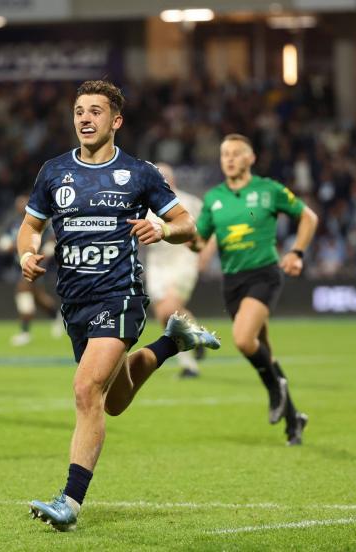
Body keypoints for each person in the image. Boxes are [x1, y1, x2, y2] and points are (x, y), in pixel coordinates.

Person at [18, 80, 221, 531]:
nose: (85, 118)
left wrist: (162, 231)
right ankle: (172, 342)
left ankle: (70, 502)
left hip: (120, 295)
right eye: (78, 111)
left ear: (116, 121)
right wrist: (26, 253)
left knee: (87, 390)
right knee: (113, 400)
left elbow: (186, 223)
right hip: (75, 303)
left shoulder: (139, 172)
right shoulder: (53, 172)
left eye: (95, 111)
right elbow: (30, 226)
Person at [192, 134, 318, 446]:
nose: (230, 159)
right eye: (224, 154)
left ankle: (276, 388)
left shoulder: (268, 190)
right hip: (232, 282)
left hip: (263, 274)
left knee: (243, 339)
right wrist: (171, 232)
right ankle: (294, 418)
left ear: (251, 158)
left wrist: (297, 252)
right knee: (264, 350)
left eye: (236, 153)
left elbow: (308, 217)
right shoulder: (213, 199)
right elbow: (198, 241)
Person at [143, 163, 215, 378]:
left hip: (183, 261)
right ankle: (189, 364)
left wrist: (204, 256)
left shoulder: (189, 202)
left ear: (172, 179)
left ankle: (194, 334)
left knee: (170, 309)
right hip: (156, 265)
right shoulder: (145, 206)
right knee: (165, 318)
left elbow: (210, 230)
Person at [0, 195, 62, 346]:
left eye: (23, 204)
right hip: (19, 263)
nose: (20, 207)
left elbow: (52, 241)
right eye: (18, 205)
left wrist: (41, 255)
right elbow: (3, 245)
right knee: (38, 297)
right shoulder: (13, 224)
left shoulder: (42, 222)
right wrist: (14, 246)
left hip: (37, 263)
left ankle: (25, 332)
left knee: (22, 291)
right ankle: (57, 317)